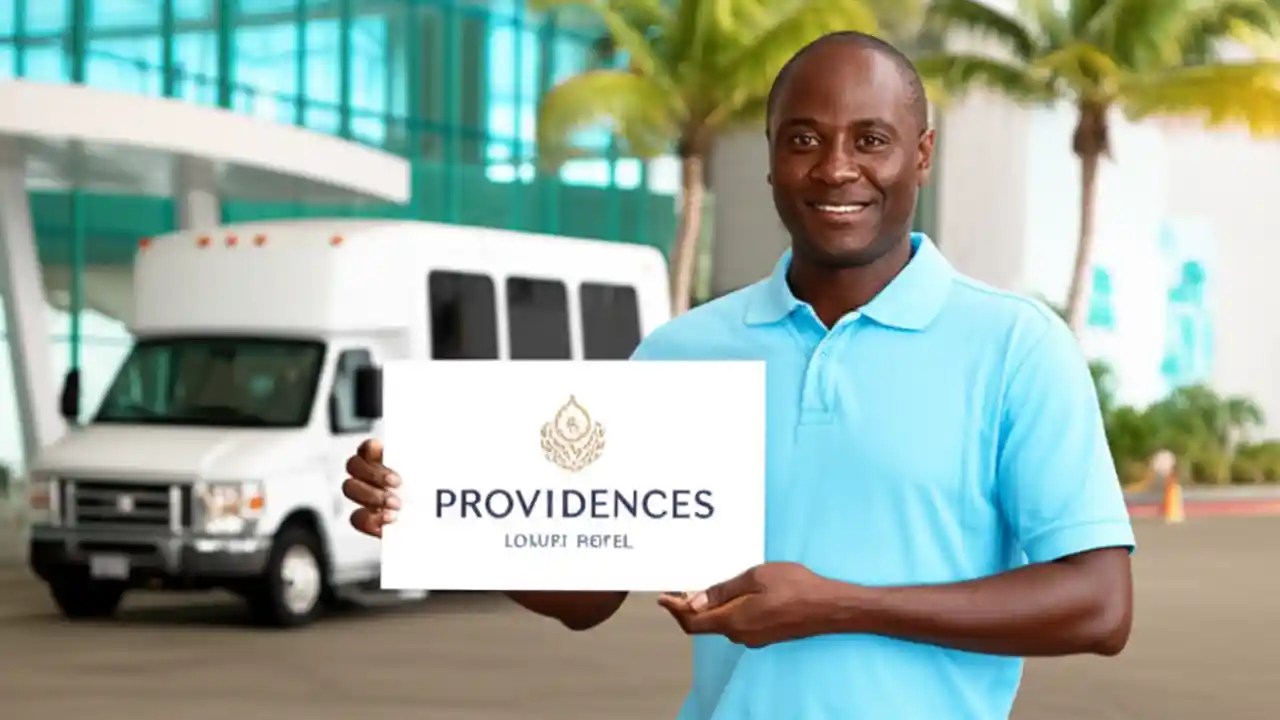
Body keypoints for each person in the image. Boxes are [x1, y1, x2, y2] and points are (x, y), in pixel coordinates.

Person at [342, 31, 1135, 720]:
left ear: (920, 154)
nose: (835, 169)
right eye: (802, 140)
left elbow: (1100, 608)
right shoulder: (681, 353)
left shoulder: (1015, 347)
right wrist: (439, 514)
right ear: (768, 160)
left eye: (870, 139)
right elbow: (588, 598)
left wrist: (838, 606)